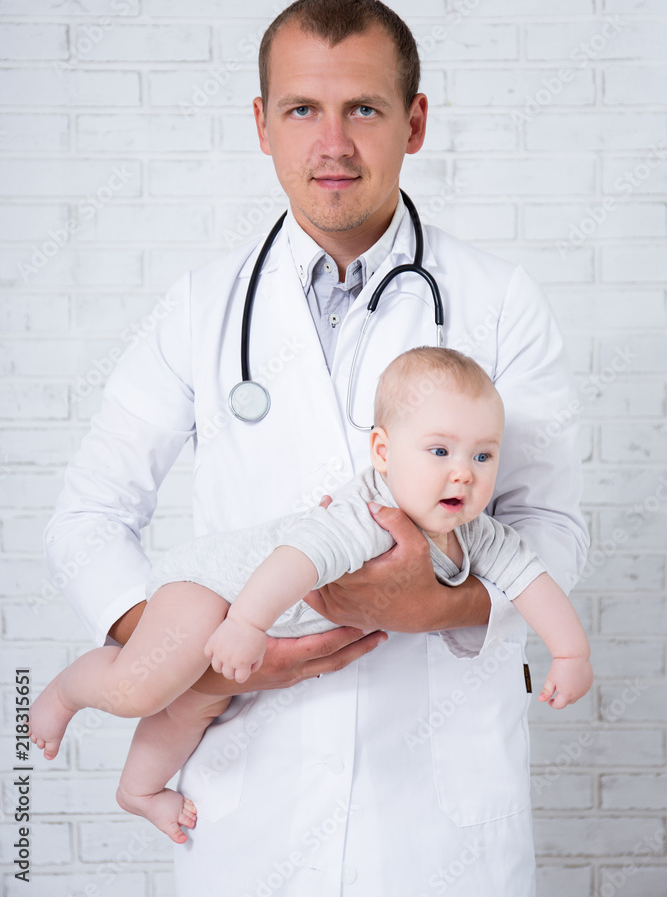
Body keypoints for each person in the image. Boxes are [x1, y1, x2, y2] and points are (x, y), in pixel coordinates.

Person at [43, 0, 589, 896]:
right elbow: (89, 516)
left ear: (414, 123)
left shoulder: (496, 301)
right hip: (248, 796)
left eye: (363, 109)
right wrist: (182, 649)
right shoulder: (198, 309)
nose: (331, 144)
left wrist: (434, 607)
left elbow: (553, 531)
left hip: (439, 825)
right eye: (302, 109)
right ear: (261, 124)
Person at [29, 346, 593, 842]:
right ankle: (67, 690)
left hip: (253, 635)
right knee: (142, 688)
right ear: (383, 453)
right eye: (440, 452)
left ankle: (141, 791)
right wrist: (246, 624)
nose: (464, 475)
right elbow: (292, 562)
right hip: (216, 586)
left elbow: (532, 577)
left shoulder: (478, 534)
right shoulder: (366, 514)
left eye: (482, 455)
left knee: (197, 703)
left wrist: (571, 653)